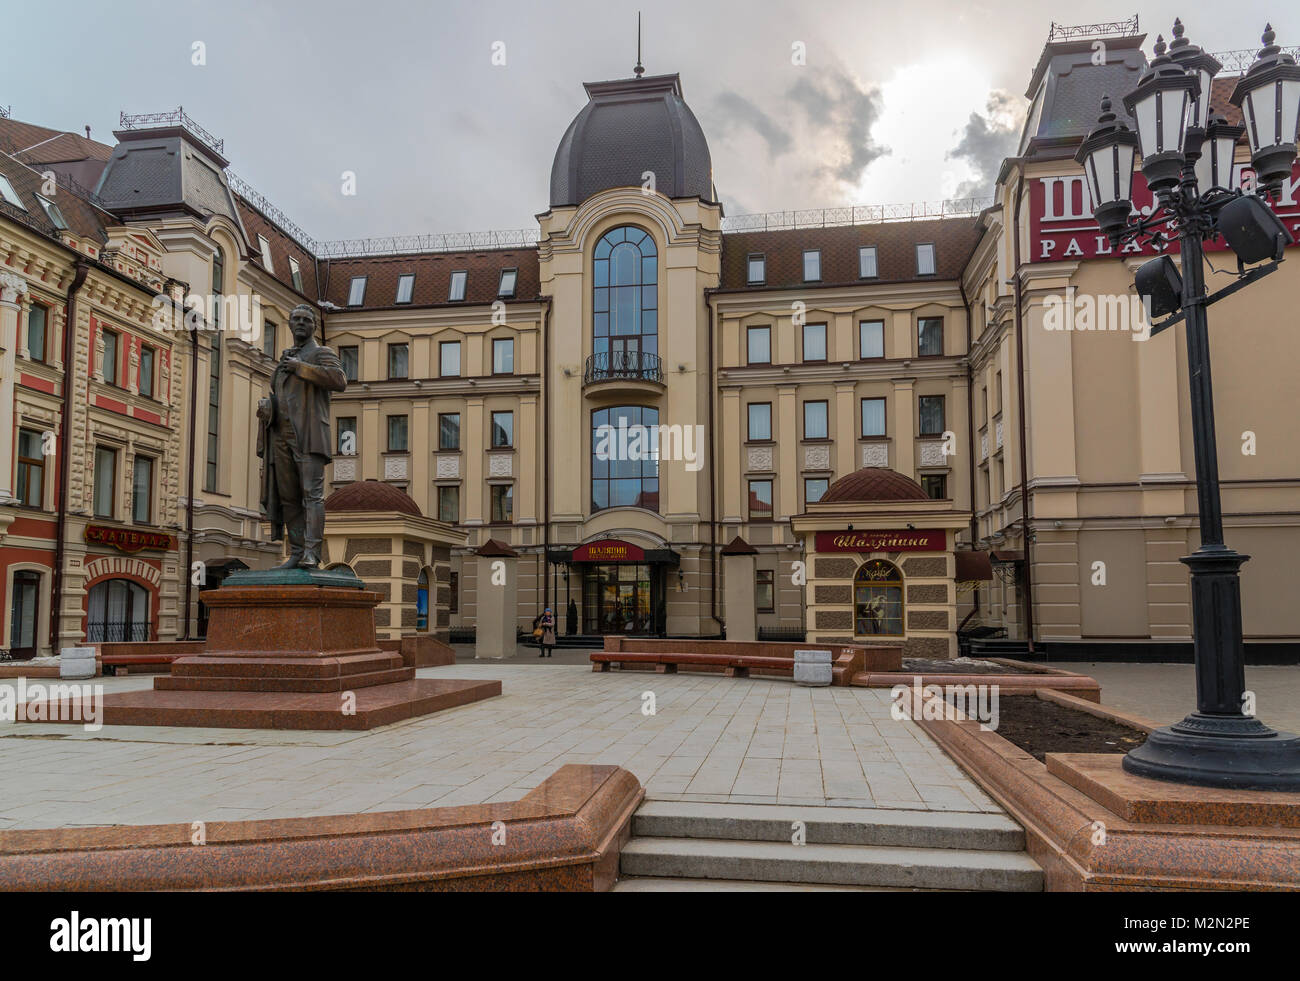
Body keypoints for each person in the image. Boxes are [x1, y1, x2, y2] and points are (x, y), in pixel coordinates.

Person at [256, 304, 347, 569]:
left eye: (306, 320)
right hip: (280, 435)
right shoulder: (285, 358)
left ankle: (312, 553)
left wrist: (301, 367)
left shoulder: (320, 353)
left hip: (309, 435)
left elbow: (339, 380)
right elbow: (284, 395)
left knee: (312, 495)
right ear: (289, 324)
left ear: (314, 326)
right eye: (295, 319)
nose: (300, 323)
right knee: (288, 497)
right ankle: (296, 552)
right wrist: (268, 405)